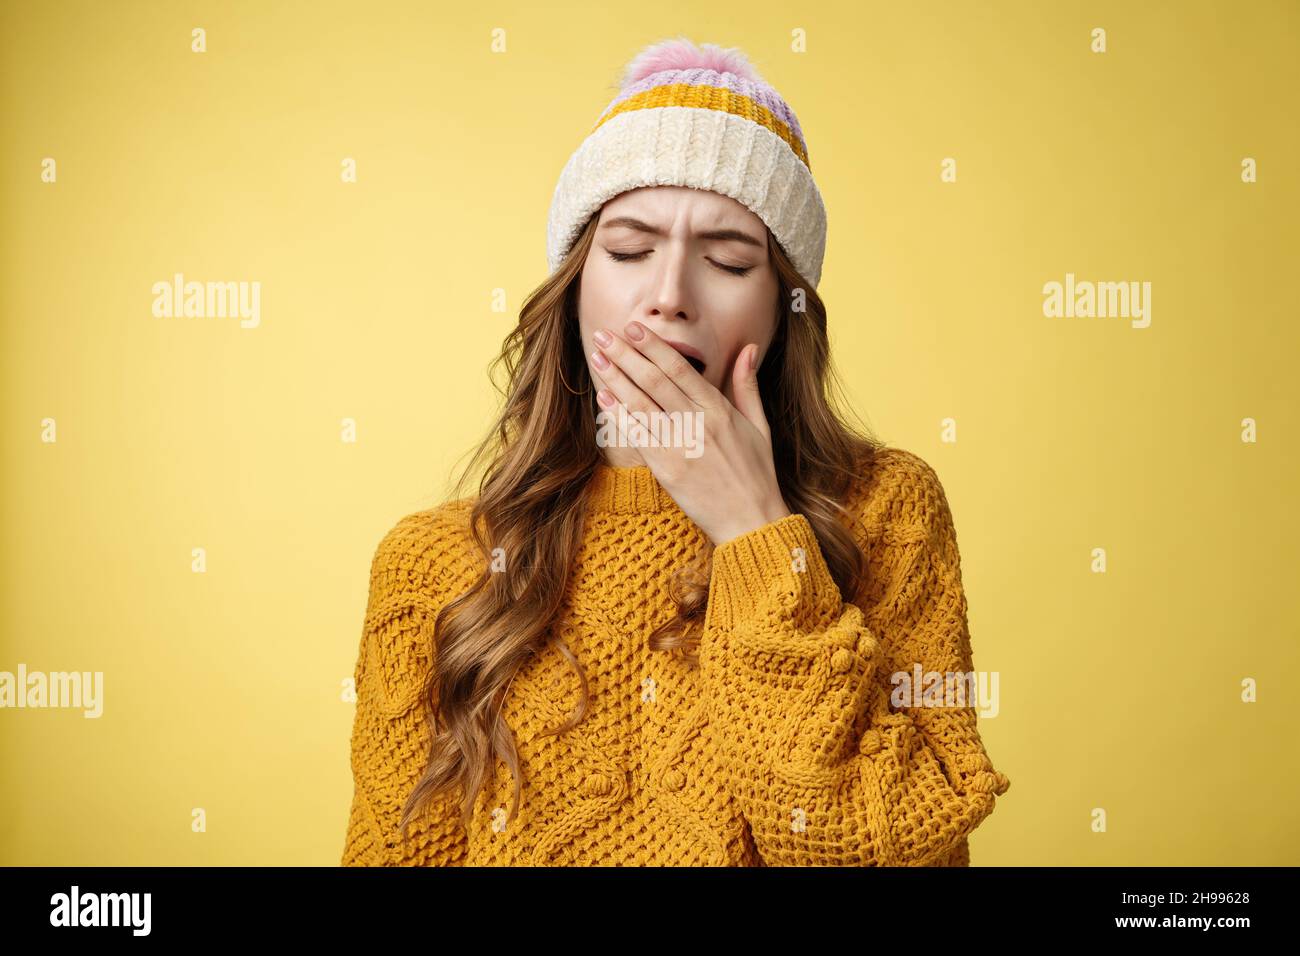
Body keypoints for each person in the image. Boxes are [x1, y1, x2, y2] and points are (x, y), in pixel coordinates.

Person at [341, 36, 1010, 867]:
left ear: (782, 307)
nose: (667, 297)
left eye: (728, 259)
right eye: (628, 250)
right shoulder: (430, 564)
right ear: (576, 287)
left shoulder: (886, 511)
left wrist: (755, 531)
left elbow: (892, 853)